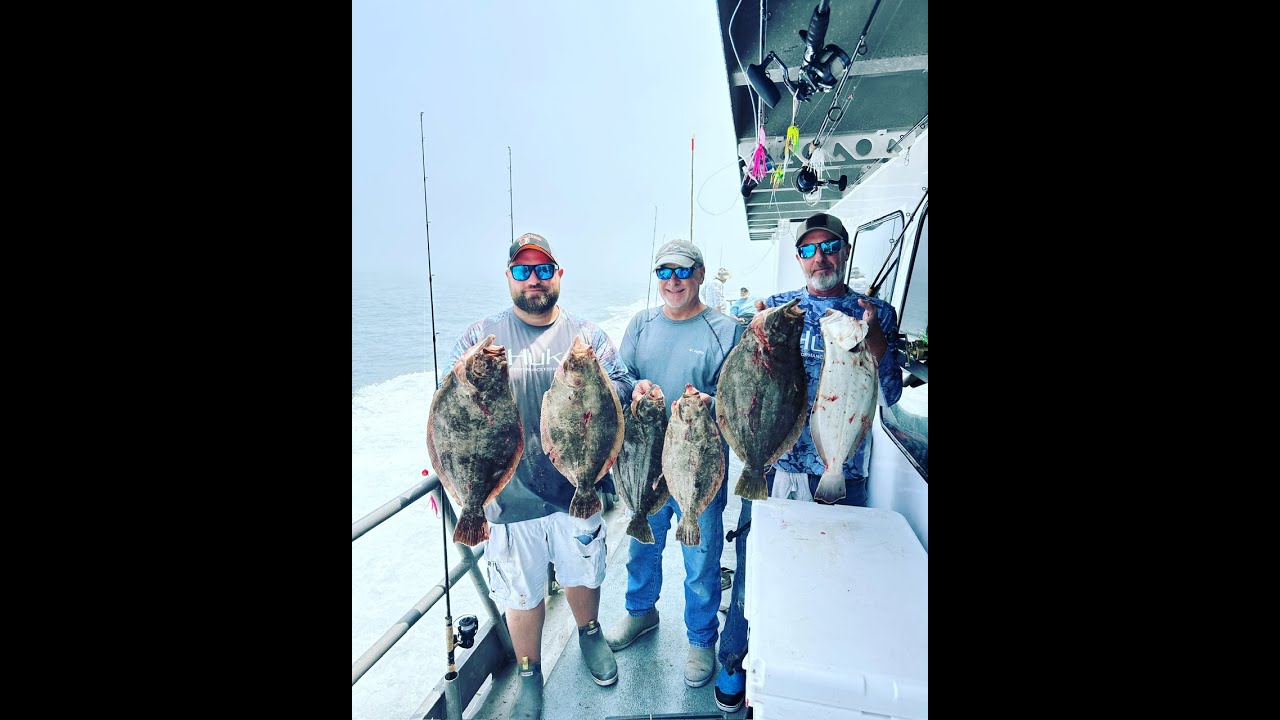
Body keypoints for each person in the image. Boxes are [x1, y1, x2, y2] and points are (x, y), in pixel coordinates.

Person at [713, 213, 903, 712]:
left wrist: (879, 346)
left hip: (844, 472)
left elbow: (891, 393)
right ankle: (733, 662)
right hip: (777, 467)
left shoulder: (874, 313)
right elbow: (742, 380)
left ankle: (821, 677)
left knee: (836, 579)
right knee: (755, 570)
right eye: (809, 249)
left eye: (830, 246)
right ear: (798, 259)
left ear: (843, 251)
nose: (820, 257)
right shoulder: (778, 308)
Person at [444, 233, 634, 720]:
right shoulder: (479, 338)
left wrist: (611, 386)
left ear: (559, 275)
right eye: (523, 270)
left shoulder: (586, 338)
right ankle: (530, 671)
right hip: (507, 499)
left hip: (578, 489)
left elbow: (623, 394)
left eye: (543, 269)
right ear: (509, 277)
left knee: (584, 570)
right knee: (521, 593)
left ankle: (589, 635)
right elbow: (452, 411)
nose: (534, 279)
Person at [605, 239, 745, 688]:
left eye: (682, 271)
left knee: (700, 557)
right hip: (645, 462)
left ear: (700, 274)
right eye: (664, 273)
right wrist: (634, 389)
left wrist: (713, 401)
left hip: (698, 464)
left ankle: (701, 639)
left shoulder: (726, 328)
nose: (673, 281)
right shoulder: (641, 325)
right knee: (641, 543)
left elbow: (738, 395)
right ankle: (640, 612)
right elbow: (619, 380)